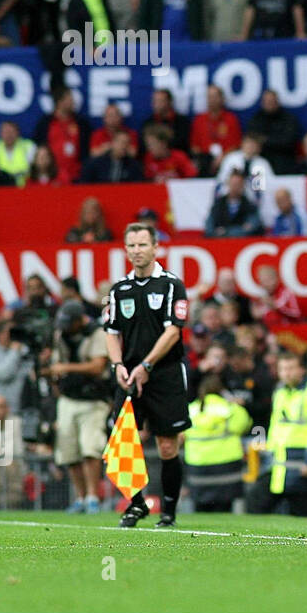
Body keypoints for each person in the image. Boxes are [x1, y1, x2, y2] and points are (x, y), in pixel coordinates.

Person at [104, 222, 191, 528]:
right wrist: (118, 366)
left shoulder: (171, 285)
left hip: (164, 373)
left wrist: (147, 366)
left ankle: (168, 512)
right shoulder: (119, 289)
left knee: (167, 444)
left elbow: (173, 333)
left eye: (142, 245)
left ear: (156, 247)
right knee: (121, 440)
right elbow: (111, 332)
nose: (137, 251)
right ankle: (138, 504)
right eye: (131, 246)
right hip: (129, 374)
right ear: (125, 250)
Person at [50, 299, 112, 514]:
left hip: (93, 400)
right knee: (69, 452)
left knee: (90, 449)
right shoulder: (61, 335)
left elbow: (97, 366)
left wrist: (65, 367)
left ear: (79, 320)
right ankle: (80, 497)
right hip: (68, 398)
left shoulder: (97, 333)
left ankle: (93, 497)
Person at [258, 350, 307, 517]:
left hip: (303, 463)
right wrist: (270, 455)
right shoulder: (280, 392)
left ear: (302, 370)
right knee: (265, 506)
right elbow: (275, 426)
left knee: (305, 513)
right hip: (281, 465)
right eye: (282, 369)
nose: (286, 373)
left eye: (291, 368)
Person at [184, 377, 252, 512]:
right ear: (222, 390)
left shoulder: (190, 409)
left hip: (198, 465)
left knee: (201, 509)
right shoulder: (231, 408)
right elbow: (244, 424)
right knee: (224, 509)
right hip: (226, 465)